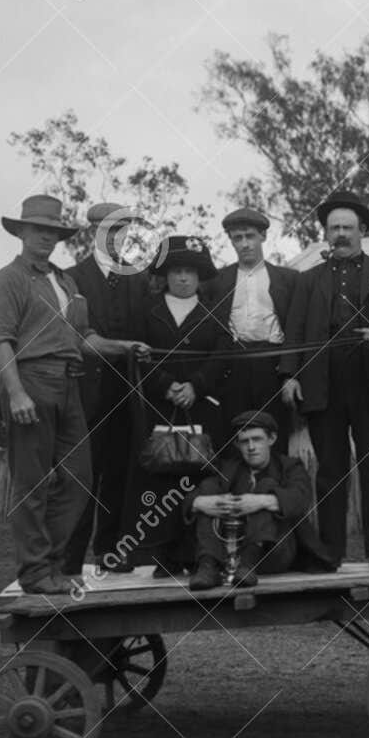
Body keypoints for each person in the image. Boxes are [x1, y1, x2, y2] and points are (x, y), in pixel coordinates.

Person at [0, 195, 149, 595]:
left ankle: (53, 565)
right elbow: (0, 340)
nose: (46, 238)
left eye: (53, 231)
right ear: (21, 232)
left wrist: (124, 346)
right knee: (32, 484)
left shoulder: (65, 281)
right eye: (38, 230)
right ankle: (35, 572)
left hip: (69, 384)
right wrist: (17, 393)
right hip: (31, 382)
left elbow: (83, 338)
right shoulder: (7, 280)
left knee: (79, 479)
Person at [280, 192, 369, 568]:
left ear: (363, 230)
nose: (341, 234)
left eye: (348, 227)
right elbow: (295, 330)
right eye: (335, 228)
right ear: (326, 234)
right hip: (321, 381)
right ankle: (330, 551)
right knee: (330, 469)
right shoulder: (307, 280)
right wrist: (290, 375)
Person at [132, 234, 231, 576]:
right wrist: (165, 385)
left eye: (190, 271)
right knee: (161, 479)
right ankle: (163, 558)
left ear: (199, 276)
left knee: (196, 477)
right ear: (166, 275)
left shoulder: (214, 313)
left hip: (201, 408)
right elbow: (139, 357)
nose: (183, 278)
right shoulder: (147, 312)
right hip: (160, 408)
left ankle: (198, 555)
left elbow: (223, 356)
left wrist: (196, 386)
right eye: (176, 271)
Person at [64, 201, 152, 574]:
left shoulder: (140, 280)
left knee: (120, 474)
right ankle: (68, 559)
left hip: (127, 394)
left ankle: (111, 552)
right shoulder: (70, 278)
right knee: (83, 477)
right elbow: (76, 338)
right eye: (105, 228)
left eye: (120, 229)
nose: (113, 236)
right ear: (91, 232)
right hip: (85, 395)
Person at [188, 410, 338, 590]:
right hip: (231, 552)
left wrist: (261, 500)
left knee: (267, 485)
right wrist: (201, 503)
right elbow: (194, 495)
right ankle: (208, 565)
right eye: (244, 441)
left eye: (257, 439)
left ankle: (248, 564)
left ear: (271, 439)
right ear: (237, 444)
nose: (251, 447)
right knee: (207, 490)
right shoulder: (229, 468)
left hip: (274, 552)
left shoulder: (290, 467)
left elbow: (300, 500)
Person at [204, 206, 299, 445]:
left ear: (263, 237)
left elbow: (297, 330)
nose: (245, 244)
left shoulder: (288, 279)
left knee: (274, 436)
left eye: (250, 236)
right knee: (234, 436)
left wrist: (290, 373)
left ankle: (275, 483)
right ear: (231, 242)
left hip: (273, 367)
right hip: (234, 367)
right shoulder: (217, 281)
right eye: (238, 238)